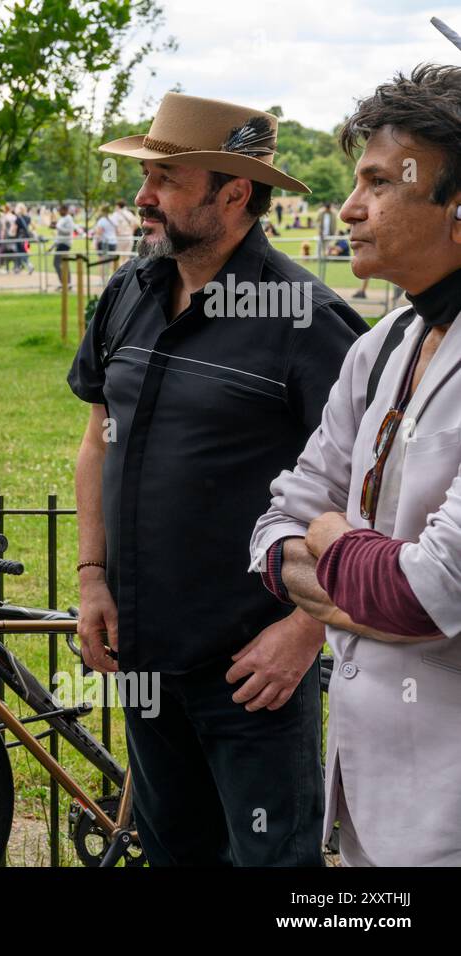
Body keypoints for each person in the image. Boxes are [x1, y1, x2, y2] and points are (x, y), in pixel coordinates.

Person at [68, 92, 367, 866]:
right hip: (143, 659)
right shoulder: (128, 293)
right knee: (171, 857)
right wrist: (93, 575)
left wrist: (306, 633)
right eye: (146, 176)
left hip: (252, 672)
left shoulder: (308, 319)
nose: (143, 196)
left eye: (165, 177)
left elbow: (369, 496)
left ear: (234, 193)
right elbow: (97, 442)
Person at [250, 64, 461, 866]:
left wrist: (330, 540)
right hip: (368, 802)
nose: (349, 208)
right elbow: (275, 527)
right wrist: (354, 566)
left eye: (379, 181)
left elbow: (424, 593)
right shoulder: (380, 347)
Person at [52, 203, 75, 291]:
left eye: (60, 210)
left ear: (65, 210)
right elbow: (59, 233)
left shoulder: (69, 219)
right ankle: (65, 283)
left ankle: (66, 283)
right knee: (62, 264)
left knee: (59, 263)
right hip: (60, 243)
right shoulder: (62, 219)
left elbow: (68, 231)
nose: (59, 212)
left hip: (65, 244)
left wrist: (57, 227)